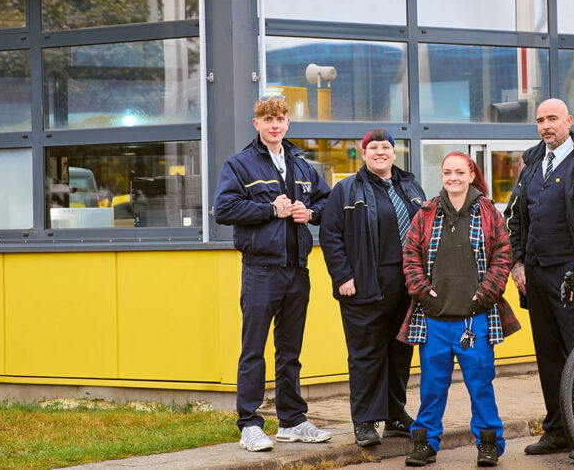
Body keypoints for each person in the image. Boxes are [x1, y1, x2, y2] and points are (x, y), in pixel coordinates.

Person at [213, 97, 333, 452]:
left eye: (280, 119)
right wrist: (270, 209)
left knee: (290, 350)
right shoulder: (239, 165)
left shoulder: (302, 164)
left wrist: (309, 214)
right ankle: (249, 424)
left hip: (297, 269)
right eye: (268, 119)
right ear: (256, 124)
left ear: (287, 124)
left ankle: (292, 420)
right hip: (261, 271)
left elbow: (327, 203)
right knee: (253, 350)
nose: (275, 125)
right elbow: (224, 208)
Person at [504, 99, 574, 459]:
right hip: (535, 275)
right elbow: (516, 216)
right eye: (540, 120)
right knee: (548, 354)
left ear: (569, 120)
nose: (545, 126)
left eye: (552, 119)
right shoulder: (533, 163)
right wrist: (517, 263)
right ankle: (558, 429)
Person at [399, 152, 520, 468]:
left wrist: (485, 295)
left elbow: (502, 256)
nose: (452, 178)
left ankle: (489, 445)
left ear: (470, 175)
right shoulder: (425, 213)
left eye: (459, 172)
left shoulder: (489, 212)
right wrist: (424, 294)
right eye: (446, 172)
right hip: (433, 320)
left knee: (481, 385)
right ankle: (424, 444)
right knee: (431, 388)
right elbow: (410, 255)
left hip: (476, 320)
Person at [319, 129, 426, 447]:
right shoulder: (346, 190)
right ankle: (365, 421)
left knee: (399, 352)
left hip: (407, 286)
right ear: (363, 154)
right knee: (366, 355)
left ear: (395, 153)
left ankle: (395, 415)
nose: (380, 151)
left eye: (386, 147)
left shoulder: (410, 185)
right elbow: (330, 234)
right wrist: (342, 277)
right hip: (365, 285)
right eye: (373, 147)